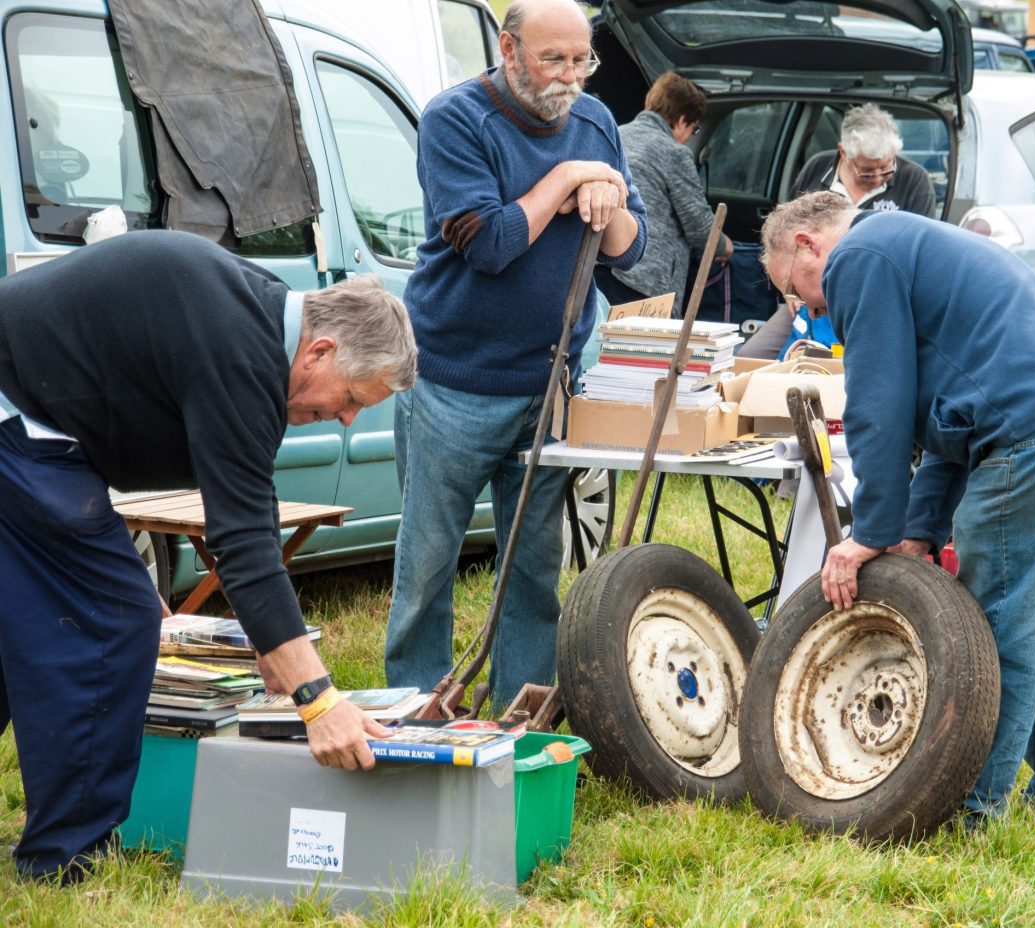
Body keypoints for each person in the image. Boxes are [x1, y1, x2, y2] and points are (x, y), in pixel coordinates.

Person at [0, 229, 417, 881]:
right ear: (322, 350)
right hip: (18, 424)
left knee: (32, 615)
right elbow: (244, 541)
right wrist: (318, 700)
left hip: (26, 418)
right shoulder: (242, 354)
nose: (345, 421)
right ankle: (64, 857)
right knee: (112, 619)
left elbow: (231, 504)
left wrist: (269, 639)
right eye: (354, 400)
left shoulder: (253, 326)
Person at [760, 192, 1035, 824]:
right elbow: (951, 422)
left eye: (792, 286)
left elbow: (878, 405)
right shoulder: (907, 245)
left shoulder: (857, 256)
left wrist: (871, 533)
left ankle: (973, 807)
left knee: (996, 631)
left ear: (808, 244)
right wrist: (915, 532)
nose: (807, 305)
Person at [384, 0, 645, 701]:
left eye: (582, 60)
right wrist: (565, 180)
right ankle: (415, 711)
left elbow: (633, 249)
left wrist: (608, 197)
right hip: (454, 381)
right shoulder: (455, 119)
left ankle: (518, 716)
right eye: (552, 59)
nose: (570, 76)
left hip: (550, 380)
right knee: (429, 564)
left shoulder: (595, 124)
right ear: (507, 48)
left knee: (534, 563)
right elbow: (491, 245)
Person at [740, 103, 934, 359]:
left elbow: (916, 257)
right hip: (809, 302)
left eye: (886, 168)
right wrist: (794, 291)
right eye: (867, 170)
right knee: (750, 357)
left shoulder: (914, 180)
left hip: (875, 306)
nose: (877, 177)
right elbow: (785, 233)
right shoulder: (817, 169)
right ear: (843, 152)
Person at [596, 71, 731, 309]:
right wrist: (725, 245)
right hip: (644, 283)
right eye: (694, 128)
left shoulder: (614, 135)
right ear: (681, 120)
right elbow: (699, 226)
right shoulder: (673, 153)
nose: (690, 136)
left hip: (599, 269)